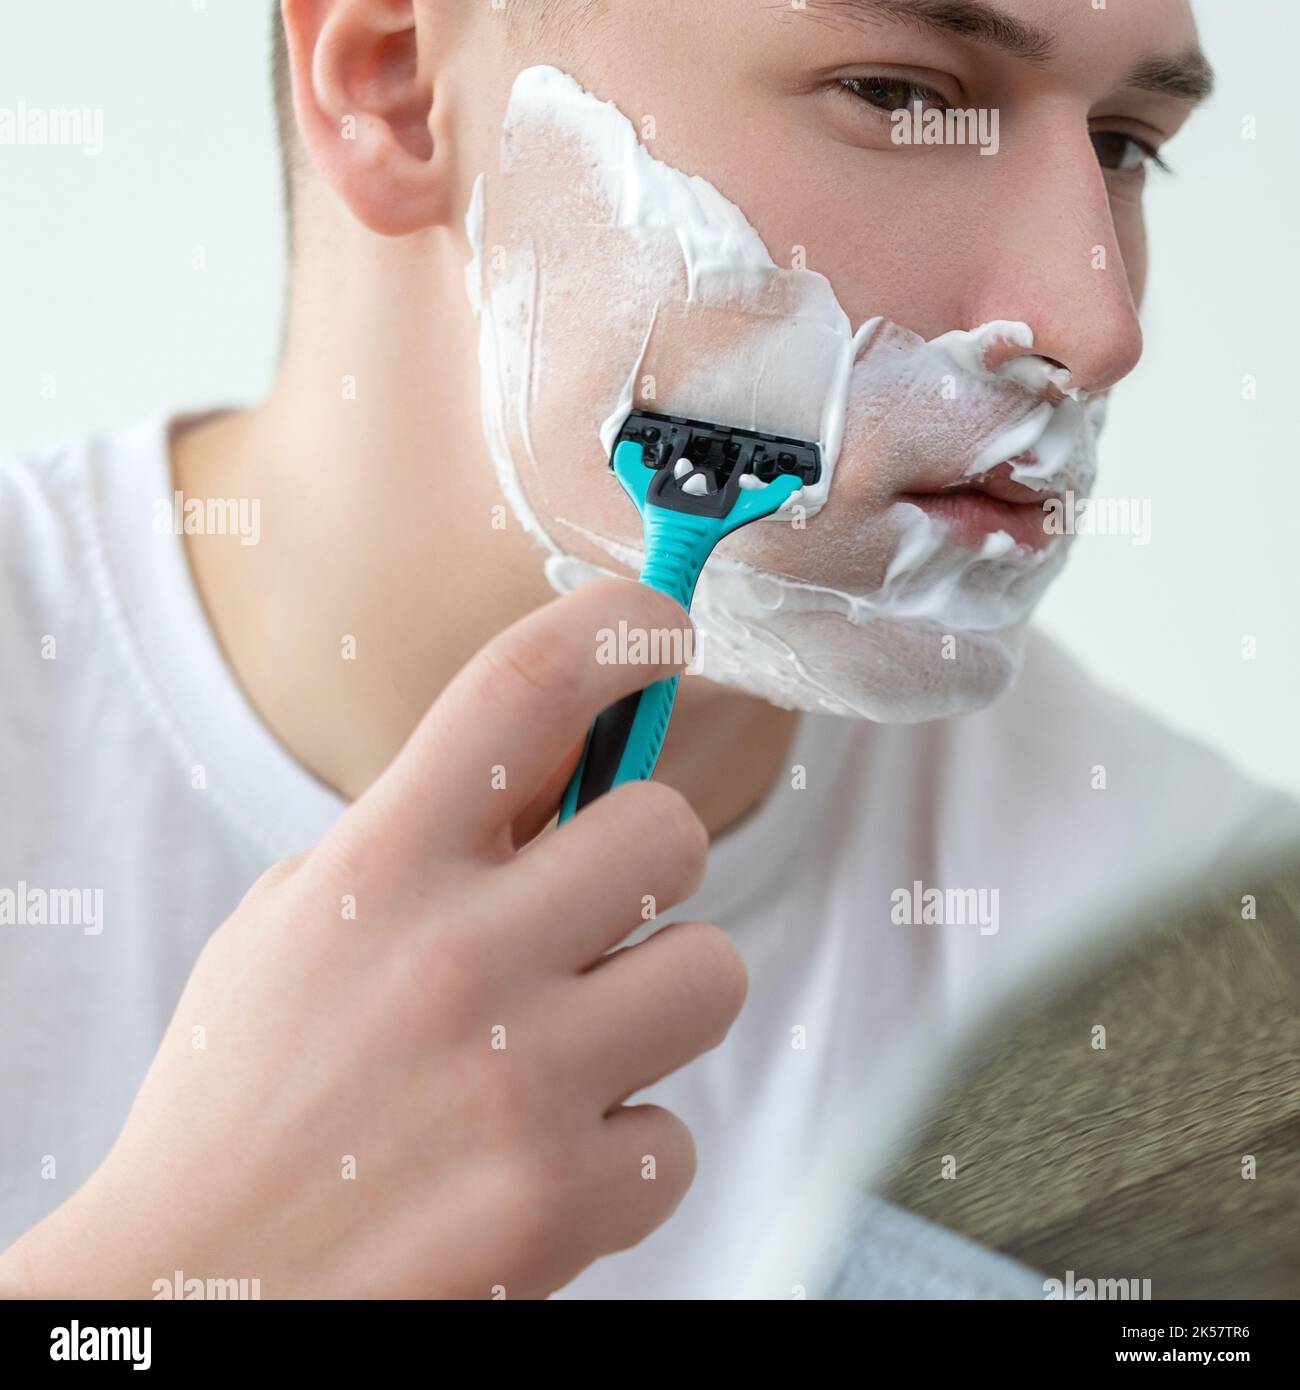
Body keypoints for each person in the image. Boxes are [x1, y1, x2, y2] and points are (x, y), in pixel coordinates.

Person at [1, 0, 1294, 1299]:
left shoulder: (1218, 972)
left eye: (1124, 144)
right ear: (395, 84)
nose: (1099, 321)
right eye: (902, 97)